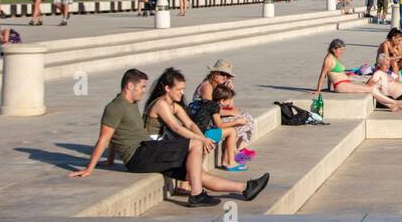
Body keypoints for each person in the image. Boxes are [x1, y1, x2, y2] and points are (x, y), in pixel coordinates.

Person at [71, 68, 270, 207]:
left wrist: (112, 159)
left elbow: (118, 135)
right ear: (130, 86)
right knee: (193, 145)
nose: (143, 91)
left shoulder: (130, 104)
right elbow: (105, 137)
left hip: (148, 151)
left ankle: (245, 188)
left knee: (197, 174)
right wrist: (90, 168)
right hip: (139, 155)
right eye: (141, 87)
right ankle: (196, 195)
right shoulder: (115, 107)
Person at [314, 38, 402, 109]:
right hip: (341, 85)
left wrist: (329, 88)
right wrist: (318, 90)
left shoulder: (333, 58)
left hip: (345, 83)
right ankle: (395, 103)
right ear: (333, 49)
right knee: (371, 89)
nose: (341, 52)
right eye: (340, 50)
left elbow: (330, 74)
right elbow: (323, 74)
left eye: (342, 50)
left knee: (372, 88)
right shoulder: (328, 60)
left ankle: (391, 105)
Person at [193, 60, 256, 159]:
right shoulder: (207, 87)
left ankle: (236, 150)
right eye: (222, 74)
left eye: (228, 76)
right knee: (238, 121)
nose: (225, 77)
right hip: (206, 121)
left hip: (214, 116)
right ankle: (230, 155)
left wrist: (229, 91)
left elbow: (229, 105)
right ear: (214, 73)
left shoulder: (220, 86)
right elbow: (209, 109)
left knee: (247, 118)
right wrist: (232, 113)